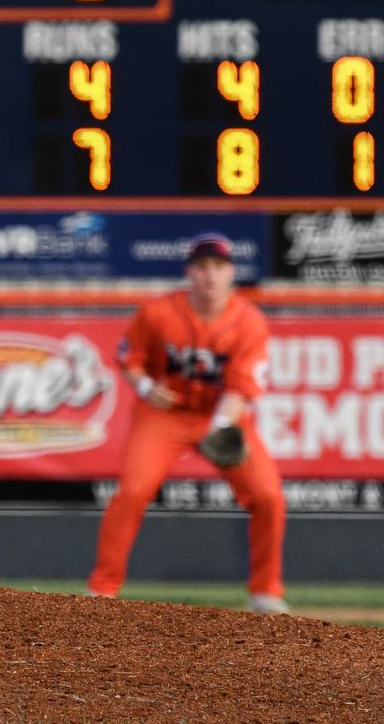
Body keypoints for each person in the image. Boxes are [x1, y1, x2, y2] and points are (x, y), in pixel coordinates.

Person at [87, 232, 289, 613]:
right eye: (201, 267)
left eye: (218, 267)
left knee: (268, 496)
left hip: (221, 416)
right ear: (189, 273)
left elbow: (242, 388)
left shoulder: (249, 323)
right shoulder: (159, 312)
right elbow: (128, 358)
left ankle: (266, 592)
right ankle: (102, 589)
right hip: (164, 414)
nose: (210, 276)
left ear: (231, 274)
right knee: (132, 491)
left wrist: (219, 426)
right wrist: (145, 386)